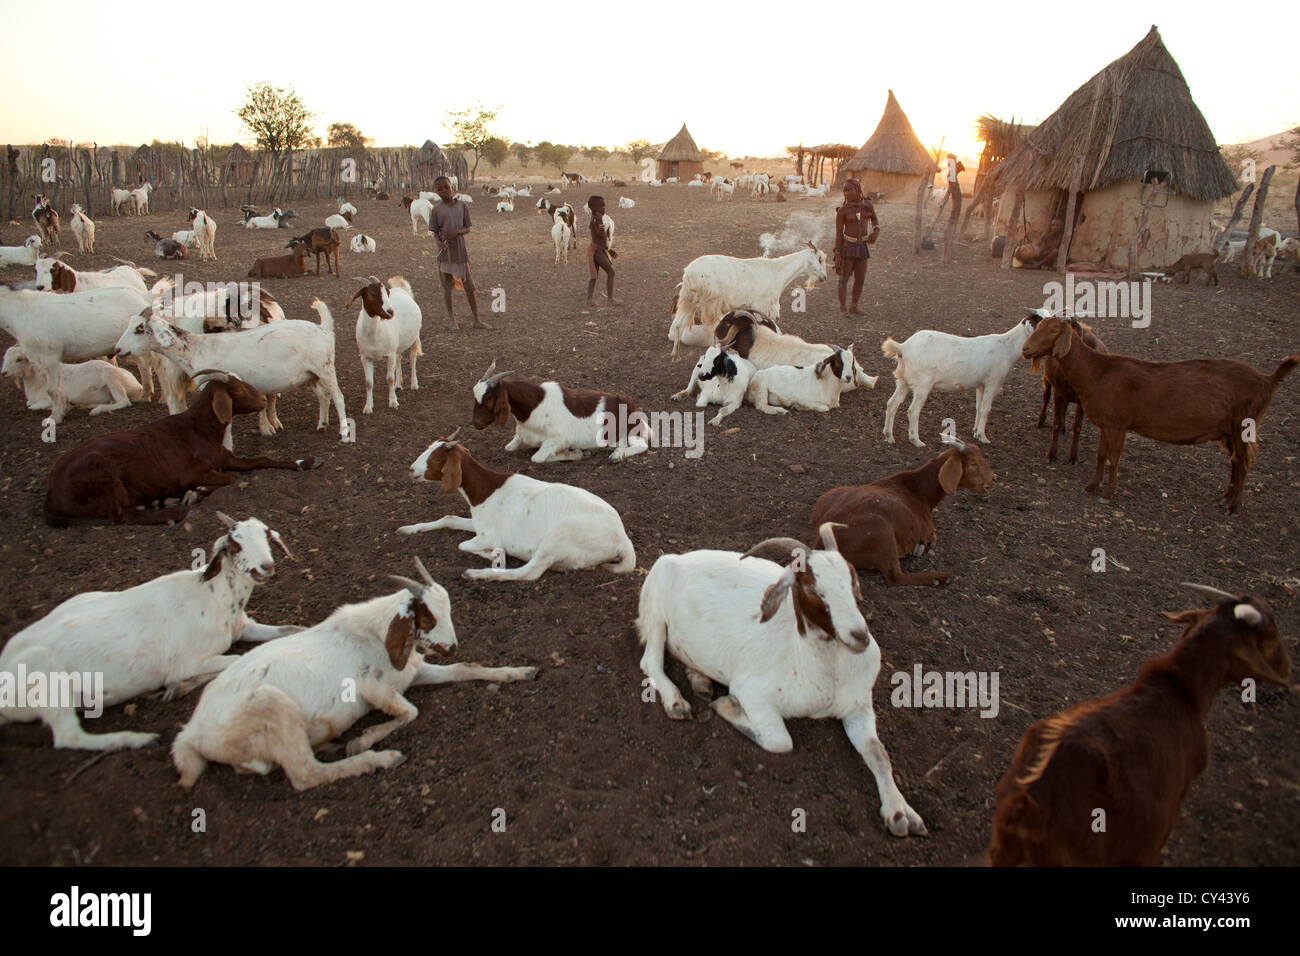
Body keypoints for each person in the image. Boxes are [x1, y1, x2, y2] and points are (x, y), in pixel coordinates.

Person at [429, 175, 490, 330]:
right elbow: (434, 232)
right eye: (440, 189)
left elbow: (467, 227)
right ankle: (452, 321)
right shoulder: (436, 210)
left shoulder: (462, 206)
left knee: (469, 285)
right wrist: (439, 243)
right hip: (445, 253)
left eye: (446, 187)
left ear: (452, 187)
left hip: (460, 250)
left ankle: (476, 320)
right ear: (436, 192)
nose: (444, 191)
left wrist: (457, 232)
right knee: (447, 286)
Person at [833, 178, 879, 316]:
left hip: (862, 247)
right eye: (844, 191)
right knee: (844, 278)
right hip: (848, 247)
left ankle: (854, 306)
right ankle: (843, 309)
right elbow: (838, 234)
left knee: (860, 278)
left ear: (858, 190)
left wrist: (876, 231)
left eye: (849, 190)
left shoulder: (867, 205)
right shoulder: (843, 211)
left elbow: (874, 219)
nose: (846, 194)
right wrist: (837, 254)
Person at [586, 195, 621, 306]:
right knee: (610, 272)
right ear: (595, 208)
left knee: (594, 276)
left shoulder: (595, 218)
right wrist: (601, 222)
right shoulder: (596, 219)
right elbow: (600, 235)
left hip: (597, 249)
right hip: (596, 250)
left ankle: (589, 300)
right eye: (602, 206)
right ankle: (610, 299)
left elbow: (601, 239)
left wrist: (608, 249)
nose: (604, 208)